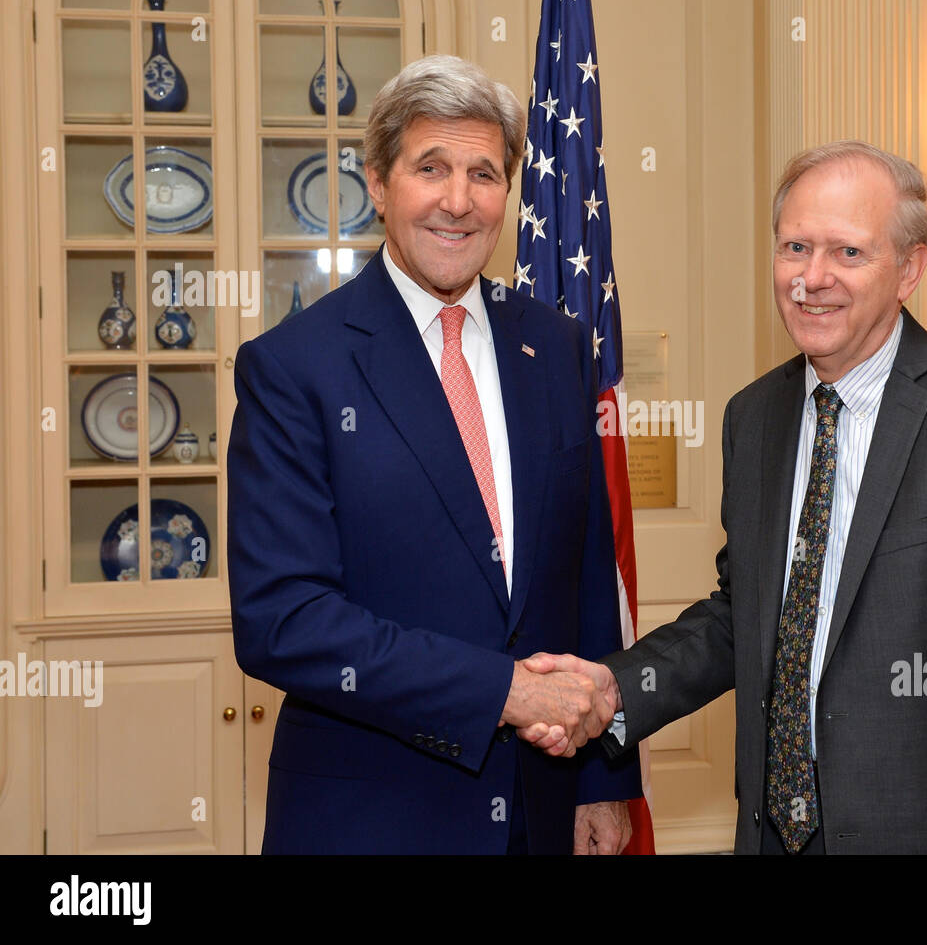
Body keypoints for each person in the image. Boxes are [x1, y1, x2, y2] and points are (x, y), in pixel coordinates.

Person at [521, 140, 927, 854]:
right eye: (795, 247)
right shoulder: (753, 418)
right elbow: (747, 615)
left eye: (848, 253)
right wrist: (614, 688)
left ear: (909, 268)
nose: (811, 278)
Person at [227, 54, 639, 855]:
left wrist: (603, 777)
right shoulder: (294, 367)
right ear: (378, 183)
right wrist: (505, 692)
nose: (459, 201)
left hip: (542, 810)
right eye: (431, 168)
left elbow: (588, 576)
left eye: (484, 173)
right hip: (373, 821)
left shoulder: (554, 347)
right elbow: (284, 621)